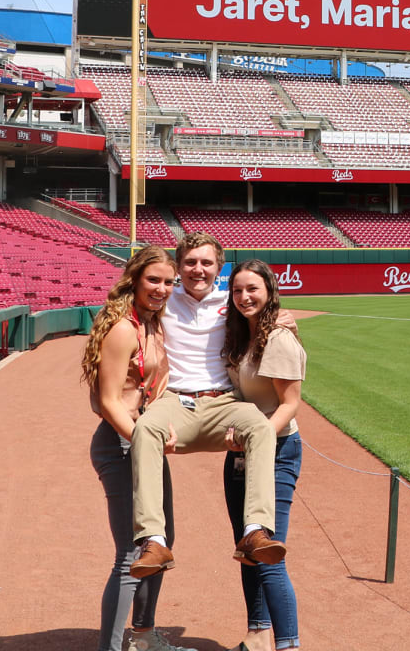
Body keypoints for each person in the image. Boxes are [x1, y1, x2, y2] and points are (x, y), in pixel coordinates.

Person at [127, 233, 288, 577]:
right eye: (190, 262)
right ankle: (154, 540)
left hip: (223, 402)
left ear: (219, 268)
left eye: (206, 263)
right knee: (144, 429)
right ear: (179, 265)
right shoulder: (164, 300)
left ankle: (254, 532)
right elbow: (123, 310)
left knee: (260, 426)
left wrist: (281, 318)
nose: (197, 270)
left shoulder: (230, 302)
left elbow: (263, 312)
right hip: (175, 401)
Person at [82, 247, 190, 651]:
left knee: (160, 543)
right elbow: (109, 401)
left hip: (143, 445)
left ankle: (143, 637)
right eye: (154, 280)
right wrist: (144, 439)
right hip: (120, 444)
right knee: (131, 553)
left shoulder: (153, 323)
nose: (162, 288)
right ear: (134, 279)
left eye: (168, 282)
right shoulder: (123, 329)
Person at [221, 260, 306, 651]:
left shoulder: (278, 337)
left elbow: (289, 404)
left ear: (270, 290)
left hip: (276, 451)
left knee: (269, 553)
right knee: (247, 549)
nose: (244, 297)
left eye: (252, 289)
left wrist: (257, 441)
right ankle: (258, 636)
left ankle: (288, 644)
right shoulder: (238, 335)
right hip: (242, 456)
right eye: (237, 290)